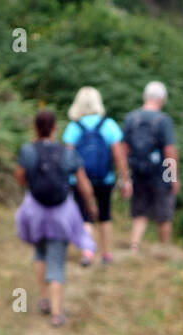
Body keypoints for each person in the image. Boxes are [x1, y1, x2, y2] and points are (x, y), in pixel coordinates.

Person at [13, 109, 98, 327]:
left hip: (35, 212)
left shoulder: (28, 151)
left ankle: (44, 299)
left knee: (39, 252)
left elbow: (20, 178)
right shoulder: (67, 153)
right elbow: (83, 183)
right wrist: (90, 205)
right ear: (55, 128)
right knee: (57, 259)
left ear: (34, 127)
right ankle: (57, 313)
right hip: (61, 213)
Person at [62, 87, 129, 265]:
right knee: (105, 215)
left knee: (85, 216)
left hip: (78, 180)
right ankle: (106, 253)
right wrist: (125, 179)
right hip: (104, 178)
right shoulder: (108, 124)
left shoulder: (73, 127)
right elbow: (119, 154)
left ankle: (87, 252)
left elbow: (68, 156)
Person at [121, 81, 178, 251]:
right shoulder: (164, 121)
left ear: (145, 96)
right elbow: (169, 151)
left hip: (138, 171)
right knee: (164, 215)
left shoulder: (131, 118)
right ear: (162, 99)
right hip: (161, 174)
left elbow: (124, 149)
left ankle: (134, 245)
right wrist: (173, 177)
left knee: (139, 211)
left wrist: (124, 176)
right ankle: (164, 249)